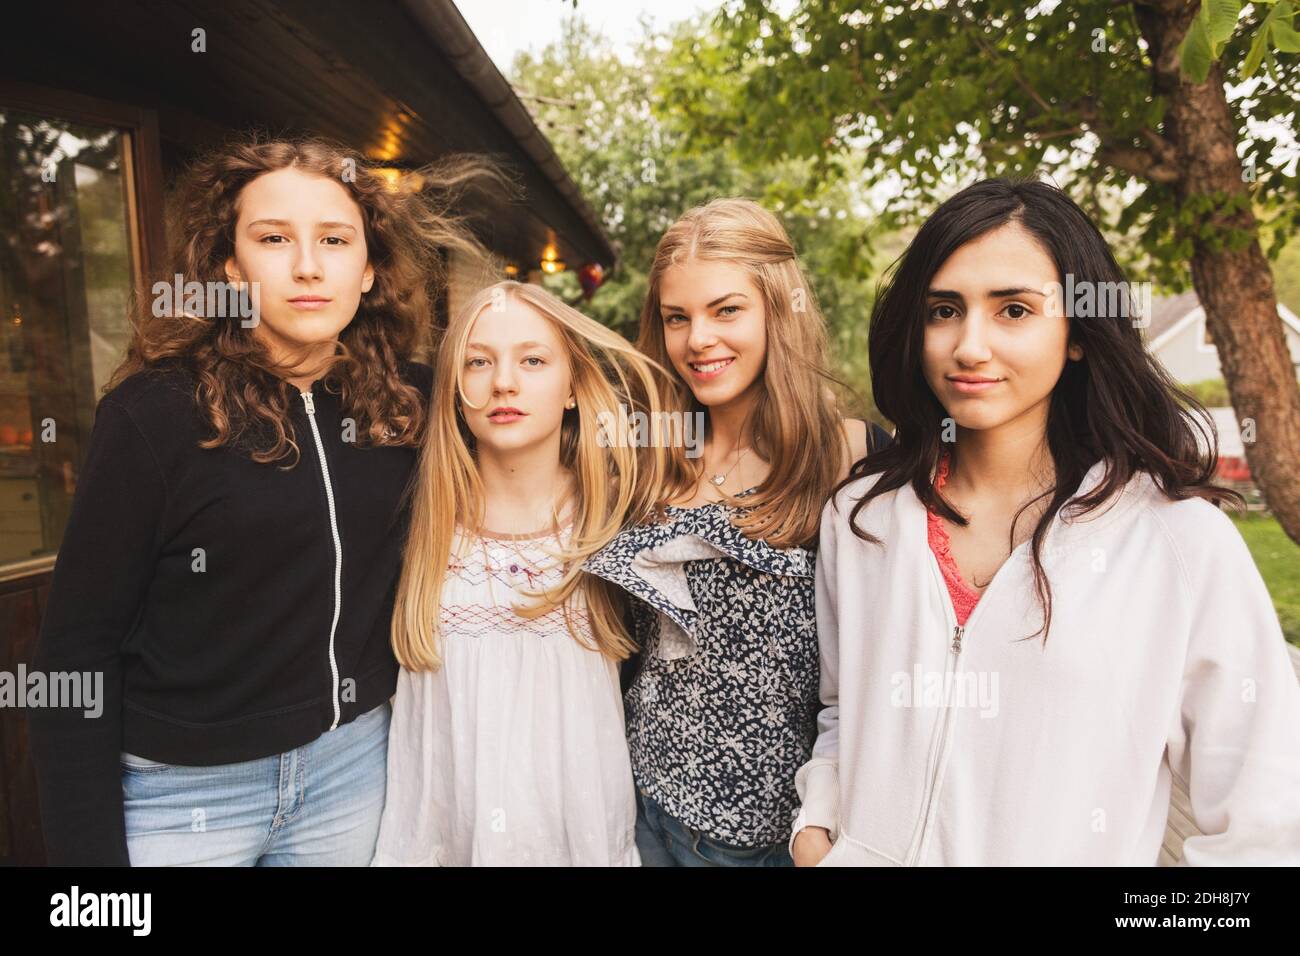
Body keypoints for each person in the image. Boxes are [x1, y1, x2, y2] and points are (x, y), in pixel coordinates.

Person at [793, 178, 1300, 866]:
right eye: (944, 309)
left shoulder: (1179, 544)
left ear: (1080, 336)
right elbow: (842, 710)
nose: (970, 345)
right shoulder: (863, 517)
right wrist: (820, 826)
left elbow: (1266, 829)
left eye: (1013, 310)